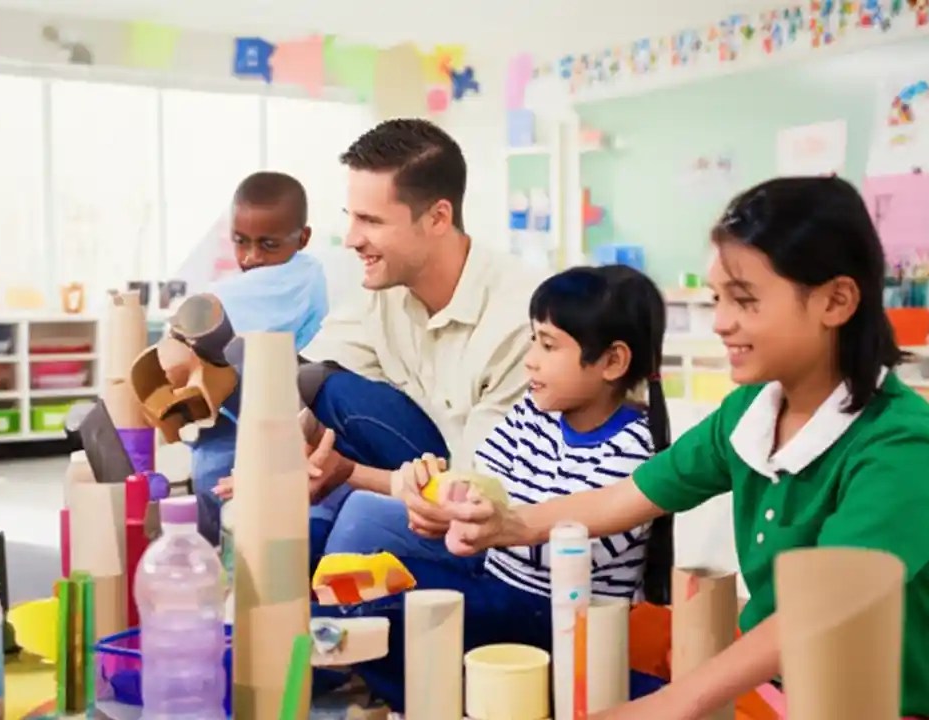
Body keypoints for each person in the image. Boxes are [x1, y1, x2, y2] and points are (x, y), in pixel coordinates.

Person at [446, 177, 929, 719]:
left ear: (836, 300)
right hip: (775, 687)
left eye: (745, 301)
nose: (721, 322)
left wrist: (668, 706)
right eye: (717, 299)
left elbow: (818, 614)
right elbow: (633, 495)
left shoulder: (901, 446)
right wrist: (511, 525)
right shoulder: (751, 411)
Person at [316, 265, 671, 709]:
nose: (530, 360)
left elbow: (559, 548)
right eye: (532, 340)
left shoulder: (630, 447)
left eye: (548, 345)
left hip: (558, 620)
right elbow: (485, 478)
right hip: (495, 584)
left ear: (612, 362)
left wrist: (471, 520)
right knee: (356, 581)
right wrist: (440, 498)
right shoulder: (536, 411)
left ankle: (447, 697)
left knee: (382, 612)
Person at [300, 118, 540, 562]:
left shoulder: (517, 318)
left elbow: (476, 494)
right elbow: (307, 377)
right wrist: (288, 447)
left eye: (370, 220)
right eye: (351, 218)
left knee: (356, 526)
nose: (352, 239)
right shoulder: (384, 291)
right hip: (426, 470)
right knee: (320, 391)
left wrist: (350, 474)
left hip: (489, 516)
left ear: (437, 218)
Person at [189, 171, 329, 542]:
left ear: (303, 238)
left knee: (244, 520)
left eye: (268, 244)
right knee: (213, 495)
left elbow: (203, 310)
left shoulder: (300, 274)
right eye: (241, 241)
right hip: (237, 417)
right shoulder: (260, 279)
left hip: (281, 423)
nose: (251, 257)